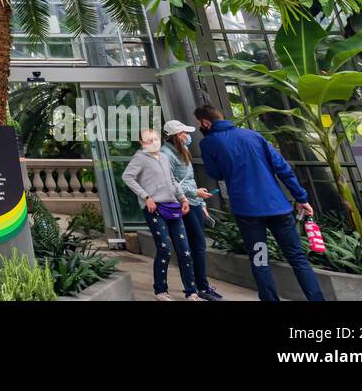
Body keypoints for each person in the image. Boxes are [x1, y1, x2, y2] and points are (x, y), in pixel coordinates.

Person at [194, 104, 325, 302]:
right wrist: (301, 198)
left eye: (199, 124)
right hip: (277, 207)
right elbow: (282, 168)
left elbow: (215, 173)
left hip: (248, 212)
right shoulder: (253, 135)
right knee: (297, 258)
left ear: (206, 122)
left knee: (260, 260)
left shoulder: (209, 143)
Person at [122, 127, 201, 301]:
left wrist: (183, 199)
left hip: (173, 206)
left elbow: (172, 180)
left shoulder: (164, 157)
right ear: (142, 143)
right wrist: (146, 197)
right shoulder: (139, 158)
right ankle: (160, 290)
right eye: (148, 140)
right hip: (154, 209)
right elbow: (127, 177)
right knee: (164, 248)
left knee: (185, 250)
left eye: (156, 139)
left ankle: (191, 291)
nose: (153, 143)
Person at [161, 120, 224, 301]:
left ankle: (200, 286)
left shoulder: (182, 151)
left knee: (198, 244)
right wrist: (192, 193)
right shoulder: (166, 154)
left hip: (193, 202)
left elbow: (187, 179)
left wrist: (199, 199)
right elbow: (169, 182)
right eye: (183, 133)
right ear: (175, 135)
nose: (187, 136)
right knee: (192, 246)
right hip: (182, 204)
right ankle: (197, 287)